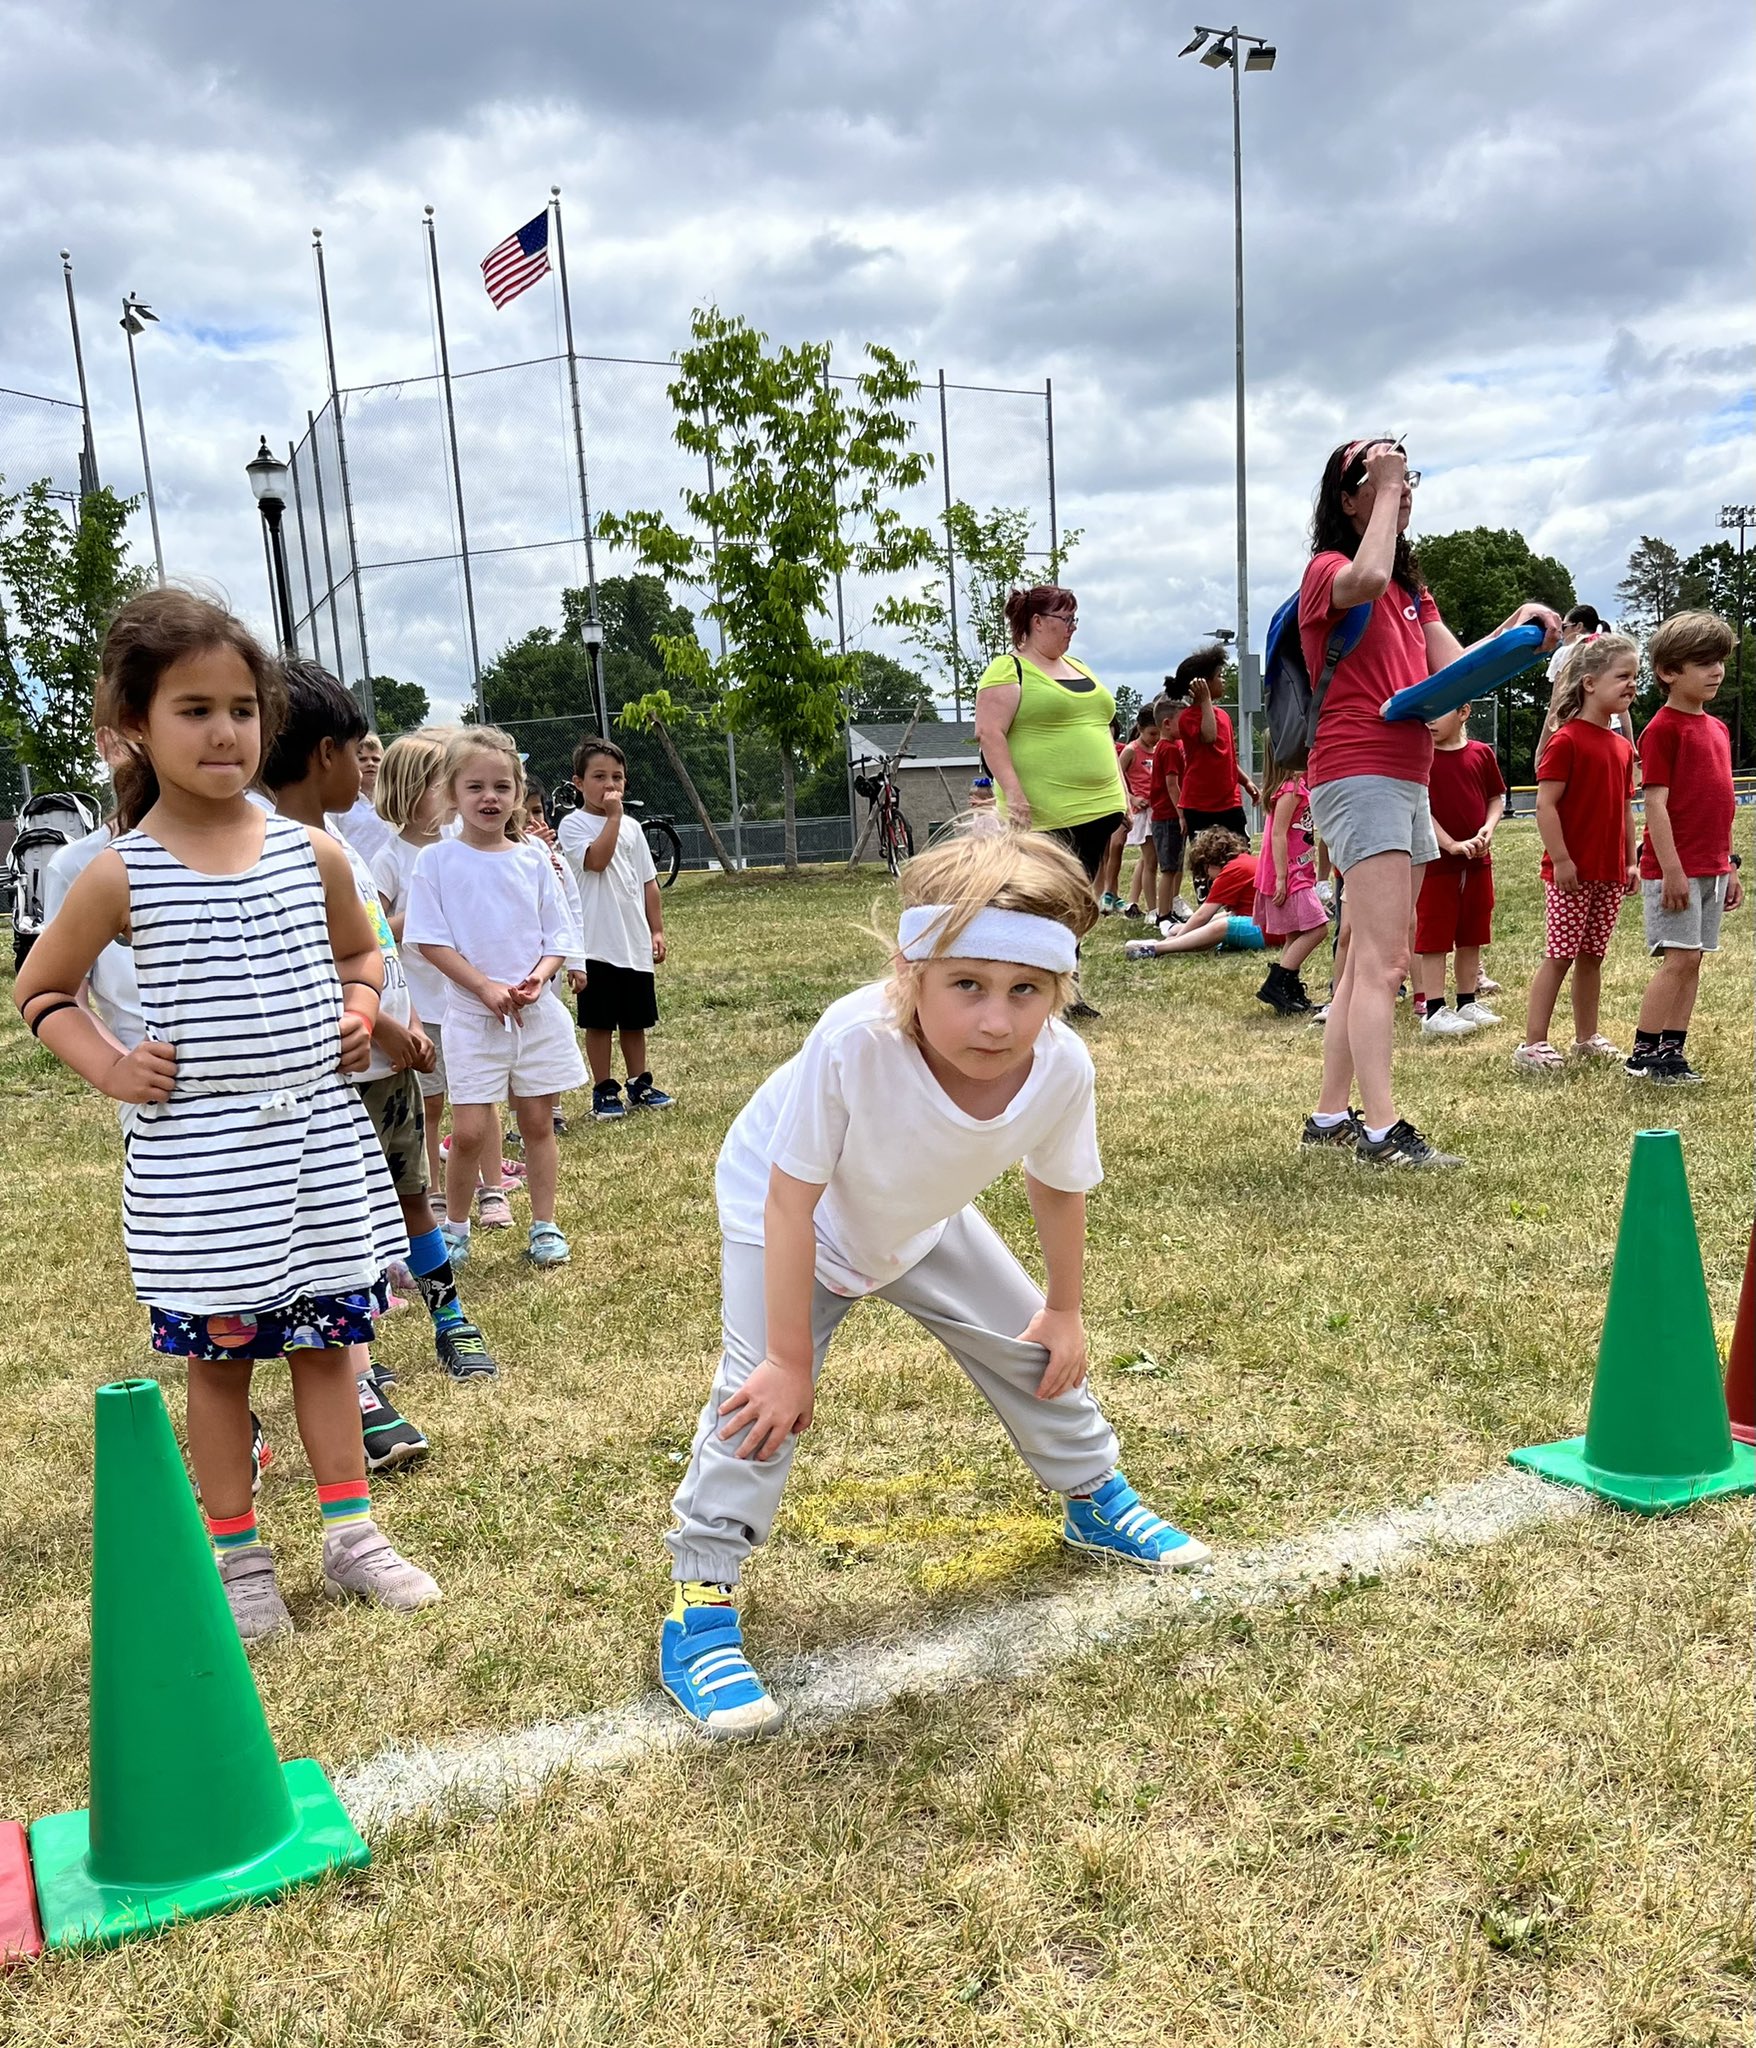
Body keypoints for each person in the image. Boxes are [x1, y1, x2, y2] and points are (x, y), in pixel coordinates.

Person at [658, 831, 1209, 1738]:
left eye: (1025, 991)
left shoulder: (1063, 1065)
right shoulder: (855, 1041)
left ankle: (1094, 1499)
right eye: (968, 987)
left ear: (1061, 988)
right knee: (759, 1395)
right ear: (912, 973)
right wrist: (791, 1360)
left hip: (916, 1217)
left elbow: (1057, 1183)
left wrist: (1064, 1310)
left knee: (1032, 1343)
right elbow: (789, 1203)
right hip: (794, 1216)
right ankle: (702, 1601)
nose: (996, 1021)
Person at [15, 589, 439, 1640]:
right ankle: (238, 1552)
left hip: (318, 1151)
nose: (224, 732)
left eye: (242, 709)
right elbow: (41, 991)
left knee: (331, 1347)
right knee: (221, 1360)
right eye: (194, 709)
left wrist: (357, 1004)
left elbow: (361, 947)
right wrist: (111, 1067)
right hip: (203, 1169)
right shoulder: (120, 871)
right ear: (133, 727)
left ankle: (352, 1535)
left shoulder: (314, 851)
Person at [1295, 437, 1557, 1166]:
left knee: (1359, 959)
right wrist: (1381, 492)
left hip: (1404, 777)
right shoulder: (1329, 572)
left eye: (1407, 476)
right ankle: (1380, 1132)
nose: (1399, 487)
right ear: (1347, 499)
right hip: (1359, 770)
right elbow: (1369, 573)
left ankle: (1328, 1118)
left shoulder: (1412, 594)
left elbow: (1457, 668)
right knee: (1384, 963)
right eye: (1379, 478)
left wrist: (1520, 631)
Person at [265, 662, 501, 1392]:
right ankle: (353, 1368)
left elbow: (373, 949)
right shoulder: (279, 853)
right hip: (332, 1082)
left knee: (410, 1197)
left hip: (386, 1067)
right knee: (332, 1221)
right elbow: (309, 968)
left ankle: (449, 1321)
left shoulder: (340, 847)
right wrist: (381, 1029)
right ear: (322, 756)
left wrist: (404, 1024)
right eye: (353, 750)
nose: (364, 770)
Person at [405, 726, 586, 1267]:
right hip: (471, 1018)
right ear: (453, 792)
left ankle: (545, 1224)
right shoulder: (436, 862)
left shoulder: (532, 859)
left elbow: (558, 935)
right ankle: (455, 1228)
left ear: (517, 791)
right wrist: (483, 987)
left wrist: (539, 976)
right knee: (468, 1131)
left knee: (535, 1122)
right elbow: (429, 938)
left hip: (533, 1017)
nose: (490, 797)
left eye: (501, 787)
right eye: (476, 786)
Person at [1511, 637, 1639, 1073]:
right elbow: (1546, 805)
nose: (1631, 685)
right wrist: (1562, 859)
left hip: (1607, 872)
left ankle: (1586, 1037)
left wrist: (1630, 860)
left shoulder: (1623, 748)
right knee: (1561, 953)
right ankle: (1533, 1042)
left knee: (1592, 955)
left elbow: (1624, 808)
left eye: (1634, 677)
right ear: (1589, 683)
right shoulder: (1565, 741)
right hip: (1571, 872)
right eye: (1622, 676)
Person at [1626, 611, 1743, 1084]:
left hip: (1711, 866)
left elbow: (1723, 804)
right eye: (1702, 662)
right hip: (1674, 869)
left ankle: (1672, 1051)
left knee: (1694, 958)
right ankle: (1642, 1054)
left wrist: (1729, 864)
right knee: (1678, 958)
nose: (1715, 670)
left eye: (1719, 660)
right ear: (1669, 672)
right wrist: (1670, 870)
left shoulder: (1716, 729)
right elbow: (1655, 805)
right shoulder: (1663, 729)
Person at [972, 585, 1127, 883]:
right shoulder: (1008, 669)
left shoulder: (1079, 666)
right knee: (1049, 901)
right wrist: (1014, 794)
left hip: (1100, 810)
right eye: (1066, 619)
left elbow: (1103, 731)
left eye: (1075, 620)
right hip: (1047, 817)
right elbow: (989, 733)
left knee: (1079, 902)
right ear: (1037, 621)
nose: (1072, 628)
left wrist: (1123, 793)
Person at [558, 738, 675, 1123]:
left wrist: (655, 930)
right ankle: (604, 1088)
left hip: (632, 941)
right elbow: (595, 861)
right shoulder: (573, 825)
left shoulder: (633, 828)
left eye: (617, 778)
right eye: (599, 777)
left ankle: (639, 1082)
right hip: (596, 944)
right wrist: (610, 818)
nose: (610, 785)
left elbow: (648, 881)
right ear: (578, 782)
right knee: (600, 1020)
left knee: (635, 1019)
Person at [1414, 702, 1507, 1036]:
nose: (1430, 721)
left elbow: (1496, 798)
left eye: (1437, 712)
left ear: (1464, 712)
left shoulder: (1481, 754)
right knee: (1435, 937)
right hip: (1437, 865)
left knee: (1472, 932)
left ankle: (1467, 1000)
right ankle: (1435, 1008)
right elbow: (1421, 808)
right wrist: (1450, 844)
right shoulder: (1421, 758)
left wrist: (1488, 829)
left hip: (1478, 863)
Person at [1251, 768, 1328, 1013]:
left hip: (1300, 871)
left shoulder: (1301, 786)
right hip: (1289, 874)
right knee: (1318, 928)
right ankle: (1277, 983)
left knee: (1295, 933)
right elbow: (1277, 834)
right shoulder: (1290, 790)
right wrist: (1282, 877)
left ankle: (1287, 990)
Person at [1122, 826, 1263, 959]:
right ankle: (1178, 933)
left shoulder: (1232, 871)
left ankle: (1158, 948)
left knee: (1223, 925)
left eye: (1206, 873)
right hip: (1267, 924)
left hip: (1266, 930)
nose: (1210, 879)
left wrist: (1177, 939)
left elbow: (1203, 915)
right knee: (1225, 918)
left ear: (1208, 862)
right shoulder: (1243, 862)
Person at [1171, 645, 1259, 842]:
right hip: (1200, 806)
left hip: (1230, 803)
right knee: (1206, 862)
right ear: (1202, 685)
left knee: (1239, 856)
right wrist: (1204, 700)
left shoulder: (1224, 716)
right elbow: (1209, 737)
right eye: (1219, 675)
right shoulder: (1188, 718)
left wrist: (1246, 782)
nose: (1223, 680)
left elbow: (1227, 759)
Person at [1537, 605, 1627, 754]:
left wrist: (1542, 748)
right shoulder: (1608, 653)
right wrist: (1629, 743)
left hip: (1578, 732)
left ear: (1578, 626)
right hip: (1614, 732)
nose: (1561, 633)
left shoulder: (1566, 653)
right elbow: (1622, 704)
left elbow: (1556, 701)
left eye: (1564, 626)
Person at [1146, 694, 1189, 929]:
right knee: (1169, 869)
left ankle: (1169, 910)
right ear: (1167, 723)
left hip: (1167, 816)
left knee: (1174, 867)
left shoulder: (1166, 747)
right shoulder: (1169, 749)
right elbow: (1172, 785)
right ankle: (1164, 914)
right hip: (1168, 817)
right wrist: (1182, 813)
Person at [1115, 705, 1161, 917]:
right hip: (1142, 812)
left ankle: (1132, 902)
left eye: (1159, 732)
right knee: (1151, 860)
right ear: (1140, 729)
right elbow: (1116, 775)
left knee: (1147, 859)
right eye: (1152, 733)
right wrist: (1131, 798)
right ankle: (1154, 910)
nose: (1156, 737)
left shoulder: (1159, 747)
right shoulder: (1131, 750)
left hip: (1157, 809)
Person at [330, 729, 394, 870]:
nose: (370, 763)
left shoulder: (392, 800)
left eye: (376, 759)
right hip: (355, 875)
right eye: (363, 759)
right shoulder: (339, 802)